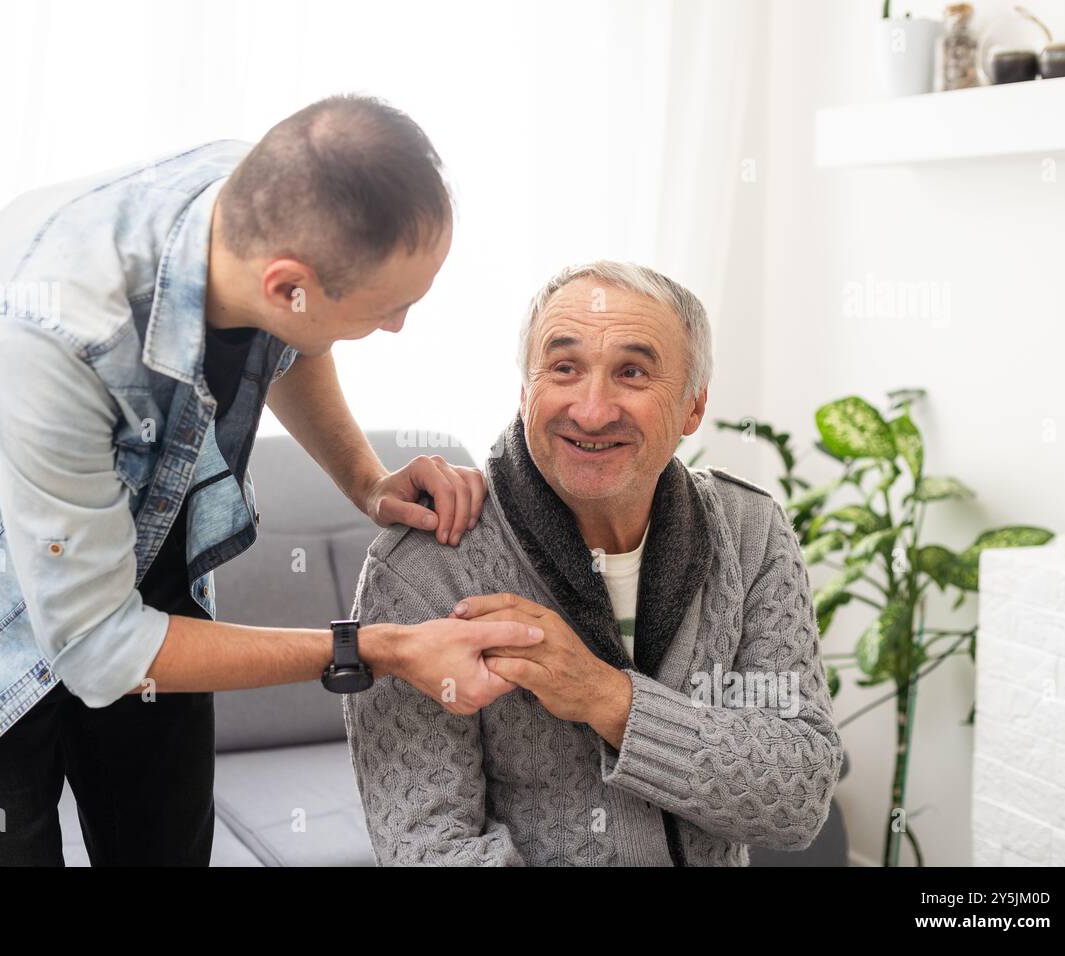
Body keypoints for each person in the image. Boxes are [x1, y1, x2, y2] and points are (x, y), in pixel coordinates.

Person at [0, 94, 540, 866]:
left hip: (142, 565)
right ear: (288, 283)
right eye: (388, 307)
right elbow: (100, 645)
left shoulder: (254, 201)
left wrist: (365, 480)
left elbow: (295, 337)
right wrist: (376, 647)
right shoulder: (51, 330)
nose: (398, 326)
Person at [344, 261, 844, 865]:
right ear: (526, 392)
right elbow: (427, 849)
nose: (591, 409)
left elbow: (800, 792)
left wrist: (607, 699)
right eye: (564, 368)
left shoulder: (750, 532)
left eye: (632, 372)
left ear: (693, 408)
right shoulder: (427, 566)